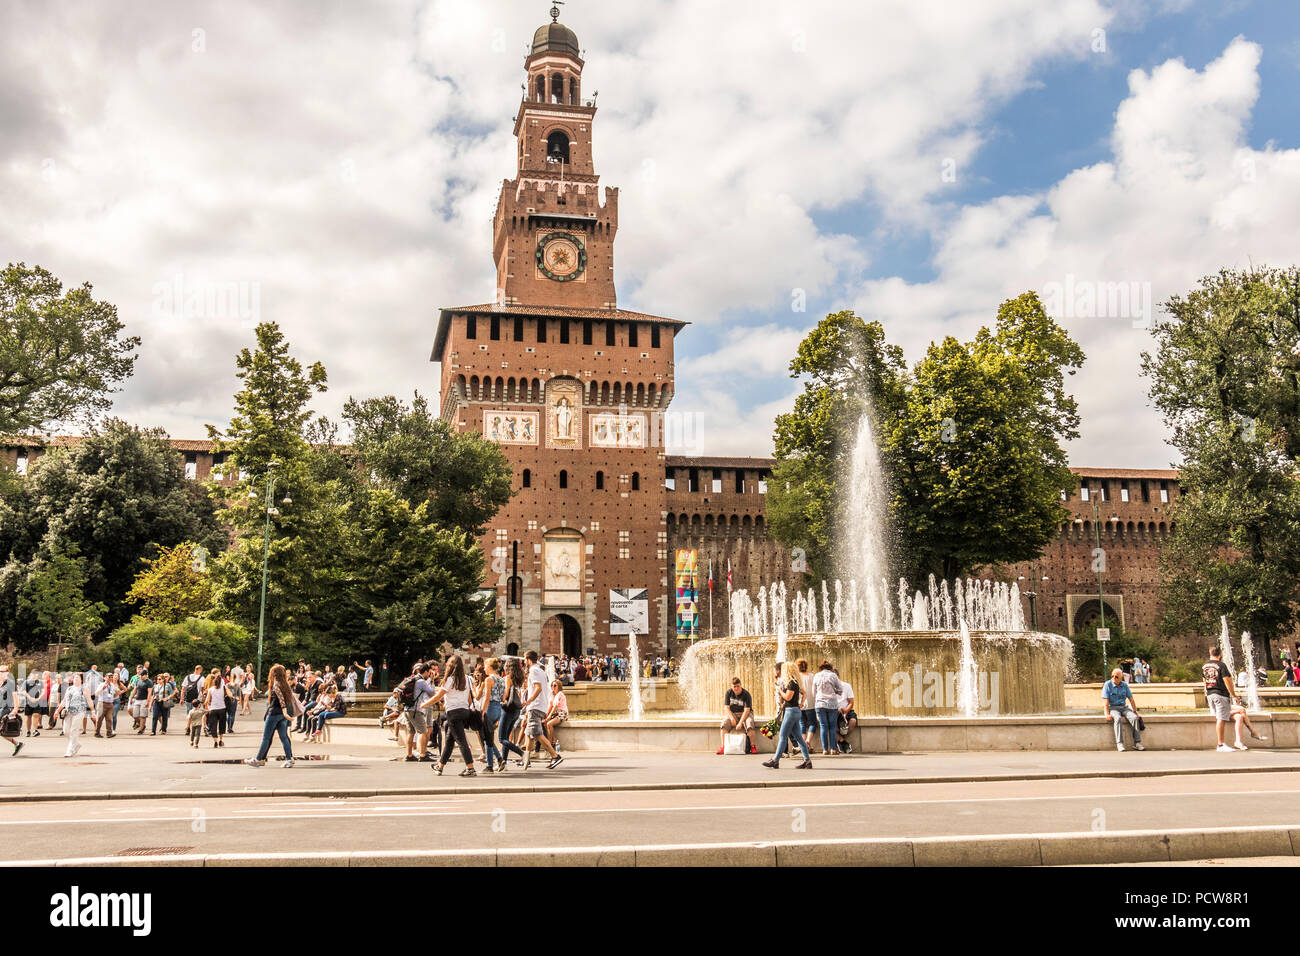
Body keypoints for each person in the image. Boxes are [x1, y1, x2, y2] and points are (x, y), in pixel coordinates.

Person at [424, 655, 477, 776]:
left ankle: (470, 768)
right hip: (464, 711)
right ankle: (440, 766)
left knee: (461, 741)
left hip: (453, 712)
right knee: (449, 740)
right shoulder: (467, 679)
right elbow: (469, 699)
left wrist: (424, 704)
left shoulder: (450, 680)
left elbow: (438, 696)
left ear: (450, 666)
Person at [244, 663, 299, 768]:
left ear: (274, 674)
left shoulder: (276, 685)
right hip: (281, 715)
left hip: (274, 713)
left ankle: (257, 759)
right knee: (283, 737)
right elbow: (285, 700)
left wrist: (284, 712)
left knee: (266, 738)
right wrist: (285, 713)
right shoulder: (285, 685)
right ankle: (289, 759)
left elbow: (281, 700)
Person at [763, 661, 812, 770]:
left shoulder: (791, 683)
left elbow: (788, 697)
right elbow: (804, 693)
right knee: (799, 738)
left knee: (783, 736)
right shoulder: (795, 682)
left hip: (791, 712)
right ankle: (807, 761)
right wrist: (801, 702)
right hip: (794, 711)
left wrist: (780, 690)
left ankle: (775, 760)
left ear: (787, 670)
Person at [1203, 645, 1248, 752]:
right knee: (1221, 718)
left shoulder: (1205, 666)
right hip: (1220, 694)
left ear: (1210, 653)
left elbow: (1204, 681)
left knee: (1232, 715)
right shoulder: (1221, 665)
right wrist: (1234, 695)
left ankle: (1236, 741)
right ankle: (1221, 744)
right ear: (1220, 654)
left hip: (1210, 694)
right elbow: (1228, 681)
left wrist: (1208, 692)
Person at [522, 650, 562, 769]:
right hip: (540, 705)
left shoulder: (533, 670)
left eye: (525, 659)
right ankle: (526, 760)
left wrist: (529, 701)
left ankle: (555, 756)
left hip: (535, 706)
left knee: (537, 733)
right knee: (529, 733)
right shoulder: (541, 670)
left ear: (528, 660)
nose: (524, 662)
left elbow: (538, 688)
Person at [400, 664, 437, 762]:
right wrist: (432, 680)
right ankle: (423, 754)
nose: (429, 674)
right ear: (425, 672)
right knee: (423, 732)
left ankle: (409, 755)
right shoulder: (421, 682)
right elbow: (432, 693)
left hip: (407, 709)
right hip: (416, 710)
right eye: (429, 673)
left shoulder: (412, 679)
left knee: (411, 732)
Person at [1102, 667, 1144, 751]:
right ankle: (1119, 743)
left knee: (1134, 718)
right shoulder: (1107, 684)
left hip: (1124, 708)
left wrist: (1135, 712)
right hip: (1113, 708)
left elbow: (1131, 699)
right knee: (1117, 719)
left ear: (1121, 678)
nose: (1114, 677)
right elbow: (1105, 701)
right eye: (1112, 676)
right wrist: (1107, 713)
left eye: (1116, 676)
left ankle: (1137, 743)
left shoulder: (1124, 685)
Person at [497, 658, 527, 765]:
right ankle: (503, 761)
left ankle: (522, 753)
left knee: (501, 738)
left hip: (508, 709)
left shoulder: (508, 678)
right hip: (516, 710)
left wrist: (501, 700)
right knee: (506, 736)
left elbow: (505, 694)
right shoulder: (519, 678)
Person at [811, 661, 843, 757]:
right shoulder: (833, 676)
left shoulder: (816, 676)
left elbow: (813, 692)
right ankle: (833, 749)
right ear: (830, 667)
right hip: (832, 704)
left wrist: (819, 697)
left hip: (820, 704)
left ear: (820, 667)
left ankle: (825, 750)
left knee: (823, 726)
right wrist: (835, 692)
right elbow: (840, 689)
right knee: (832, 727)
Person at [480, 658, 506, 772]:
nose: (484, 669)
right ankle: (499, 759)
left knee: (486, 737)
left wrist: (482, 712)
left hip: (490, 707)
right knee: (488, 737)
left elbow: (486, 698)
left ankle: (490, 765)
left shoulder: (489, 679)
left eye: (485, 667)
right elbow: (503, 697)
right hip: (498, 708)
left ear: (490, 667)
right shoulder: (501, 679)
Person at [718, 677, 757, 755]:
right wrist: (732, 718)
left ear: (741, 685)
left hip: (745, 713)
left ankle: (753, 746)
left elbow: (747, 710)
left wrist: (740, 723)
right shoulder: (728, 693)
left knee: (749, 723)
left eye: (738, 686)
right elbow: (726, 708)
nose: (736, 688)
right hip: (733, 714)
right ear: (731, 686)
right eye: (734, 686)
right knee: (724, 724)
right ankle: (723, 747)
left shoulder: (746, 694)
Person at [56, 673, 90, 758]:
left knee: (74, 730)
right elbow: (64, 701)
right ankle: (76, 744)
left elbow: (89, 700)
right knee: (66, 731)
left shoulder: (84, 689)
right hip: (68, 712)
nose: (76, 679)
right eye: (74, 677)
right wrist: (57, 711)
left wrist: (93, 711)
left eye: (78, 678)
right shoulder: (69, 689)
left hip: (79, 711)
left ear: (81, 680)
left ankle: (70, 750)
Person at [795, 658, 817, 752]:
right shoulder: (812, 676)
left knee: (802, 724)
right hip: (811, 703)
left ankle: (804, 744)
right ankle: (808, 741)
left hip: (800, 703)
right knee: (813, 723)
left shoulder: (796, 677)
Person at [203, 668, 227, 747]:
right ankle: (221, 740)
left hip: (212, 709)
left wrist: (207, 706)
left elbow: (207, 700)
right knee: (222, 725)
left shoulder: (210, 689)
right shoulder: (223, 687)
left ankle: (215, 741)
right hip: (222, 708)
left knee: (213, 725)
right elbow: (229, 694)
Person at [0, 665, 21, 756]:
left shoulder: (10, 683)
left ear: (7, 672)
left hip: (7, 708)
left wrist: (16, 708)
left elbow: (15, 696)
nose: (1, 673)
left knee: (1, 729)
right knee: (1, 731)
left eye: (3, 671)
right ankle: (17, 743)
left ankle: (17, 743)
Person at [544, 679, 568, 751]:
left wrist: (548, 716)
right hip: (557, 713)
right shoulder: (555, 695)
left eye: (555, 685)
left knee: (549, 724)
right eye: (552, 685)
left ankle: (550, 745)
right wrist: (547, 714)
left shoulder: (560, 694)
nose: (553, 687)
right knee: (545, 723)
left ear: (559, 686)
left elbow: (555, 706)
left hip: (562, 713)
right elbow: (551, 706)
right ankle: (554, 739)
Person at [836, 670, 857, 754]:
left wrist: (846, 710)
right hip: (834, 711)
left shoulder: (846, 686)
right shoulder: (828, 687)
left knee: (853, 721)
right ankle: (843, 742)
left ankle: (842, 741)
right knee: (828, 725)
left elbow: (851, 702)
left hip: (847, 710)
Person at [130, 668, 154, 734]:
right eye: (140, 675)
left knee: (143, 715)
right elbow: (135, 689)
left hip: (144, 699)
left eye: (142, 675)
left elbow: (149, 692)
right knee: (135, 715)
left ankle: (141, 729)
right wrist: (131, 697)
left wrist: (147, 701)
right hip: (137, 699)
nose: (140, 676)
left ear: (145, 675)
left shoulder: (149, 682)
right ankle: (142, 725)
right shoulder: (138, 680)